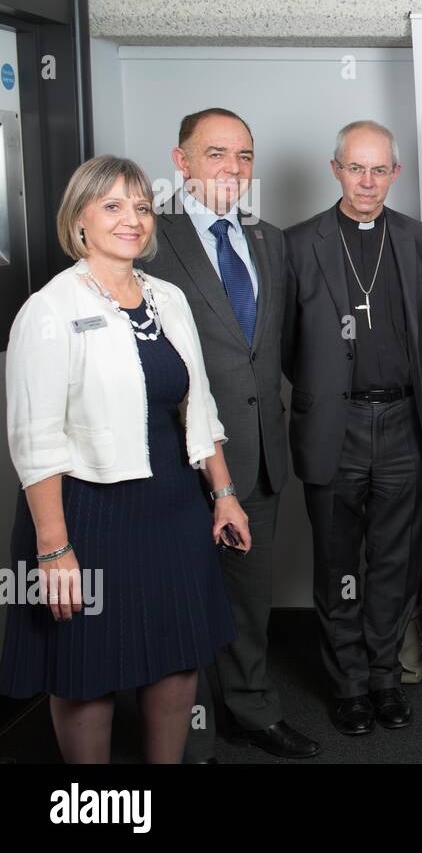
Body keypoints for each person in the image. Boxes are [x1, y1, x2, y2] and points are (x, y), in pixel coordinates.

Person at [0, 155, 250, 763]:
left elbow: (201, 406)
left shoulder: (168, 299)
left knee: (175, 662)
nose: (131, 219)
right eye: (112, 205)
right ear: (79, 219)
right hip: (87, 514)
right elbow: (34, 440)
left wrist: (223, 492)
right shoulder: (49, 310)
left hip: (174, 506)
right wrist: (53, 549)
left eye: (140, 206)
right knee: (86, 675)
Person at [147, 107, 317, 761]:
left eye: (244, 155)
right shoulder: (147, 238)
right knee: (179, 603)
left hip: (260, 454)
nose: (233, 168)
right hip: (175, 457)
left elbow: (277, 352)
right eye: (216, 153)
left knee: (249, 598)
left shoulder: (271, 239)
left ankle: (252, 710)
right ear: (181, 160)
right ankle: (190, 736)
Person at [282, 120, 422, 736]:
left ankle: (384, 678)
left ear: (395, 174)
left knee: (396, 563)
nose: (367, 181)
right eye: (356, 167)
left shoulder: (420, 239)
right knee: (337, 562)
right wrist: (331, 396)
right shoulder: (297, 243)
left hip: (405, 420)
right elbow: (287, 350)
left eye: (380, 169)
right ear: (336, 169)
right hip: (335, 424)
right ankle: (346, 684)